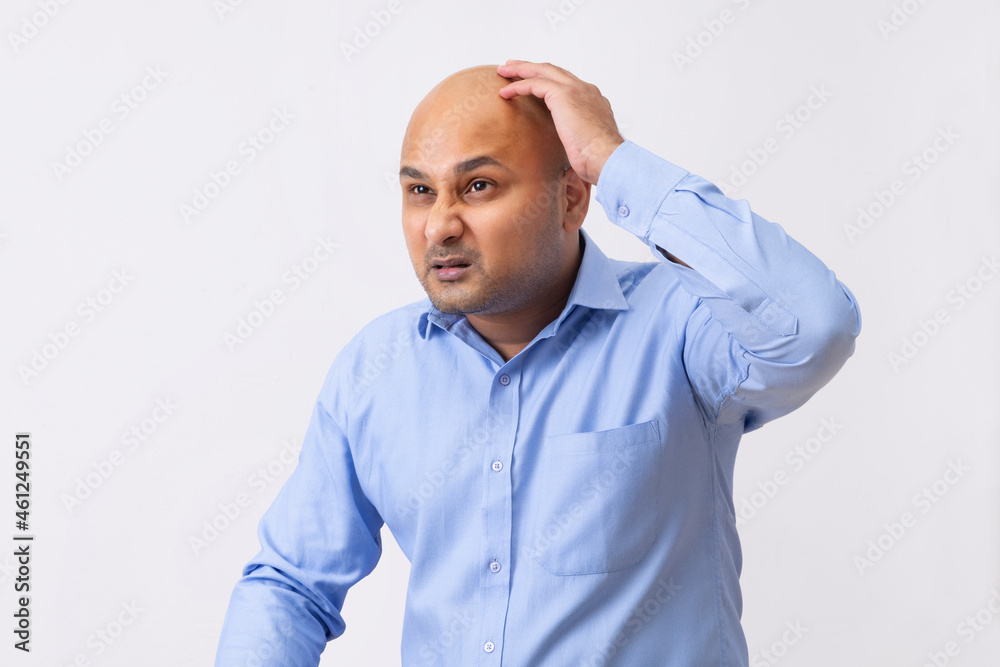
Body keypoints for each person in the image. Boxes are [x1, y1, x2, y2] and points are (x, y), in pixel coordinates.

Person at [215, 60, 861, 666]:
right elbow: (291, 585)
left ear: (573, 200)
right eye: (419, 189)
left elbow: (816, 325)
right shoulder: (375, 370)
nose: (439, 224)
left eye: (477, 186)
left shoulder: (681, 327)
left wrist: (615, 160)